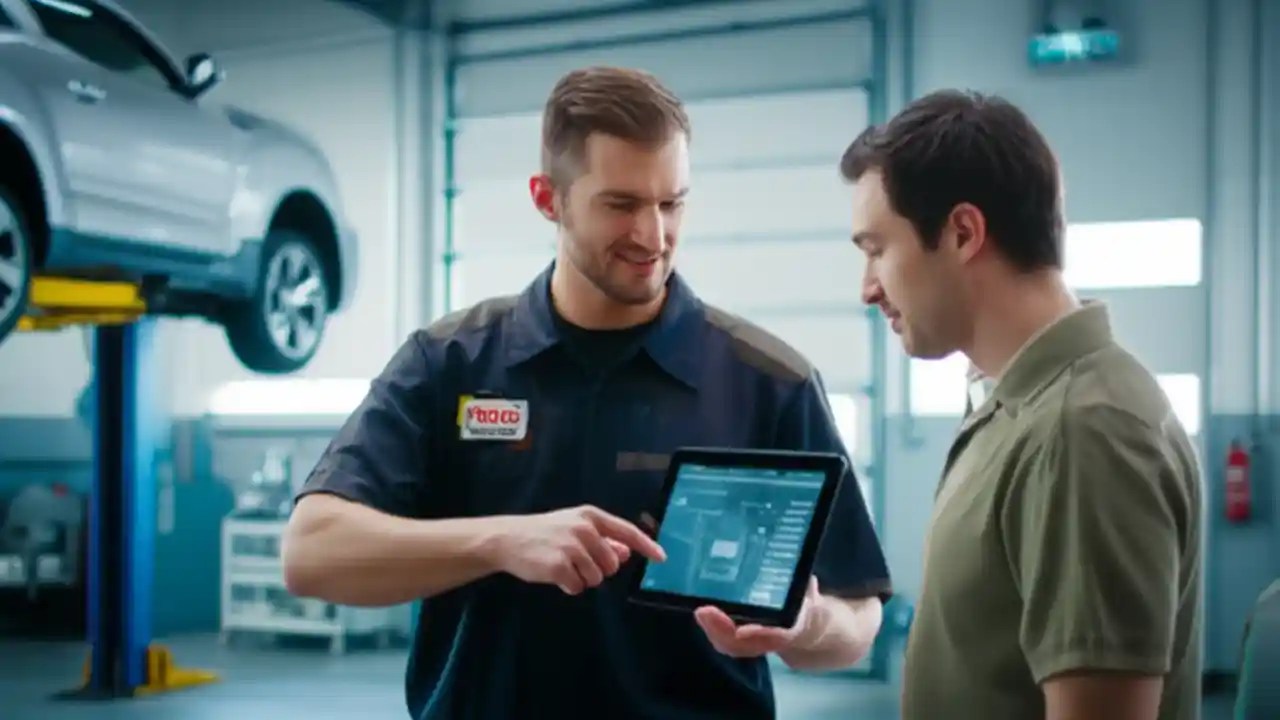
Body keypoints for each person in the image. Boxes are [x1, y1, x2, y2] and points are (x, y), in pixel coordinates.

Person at [282, 66, 891, 720]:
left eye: (672, 203)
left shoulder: (768, 381)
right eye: (622, 205)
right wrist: (501, 542)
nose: (654, 237)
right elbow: (312, 552)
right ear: (549, 199)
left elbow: (858, 614)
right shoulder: (449, 364)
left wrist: (807, 627)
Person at [840, 89, 1204, 720]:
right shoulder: (1013, 404)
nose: (868, 288)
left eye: (877, 249)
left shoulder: (1084, 432)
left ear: (961, 232)